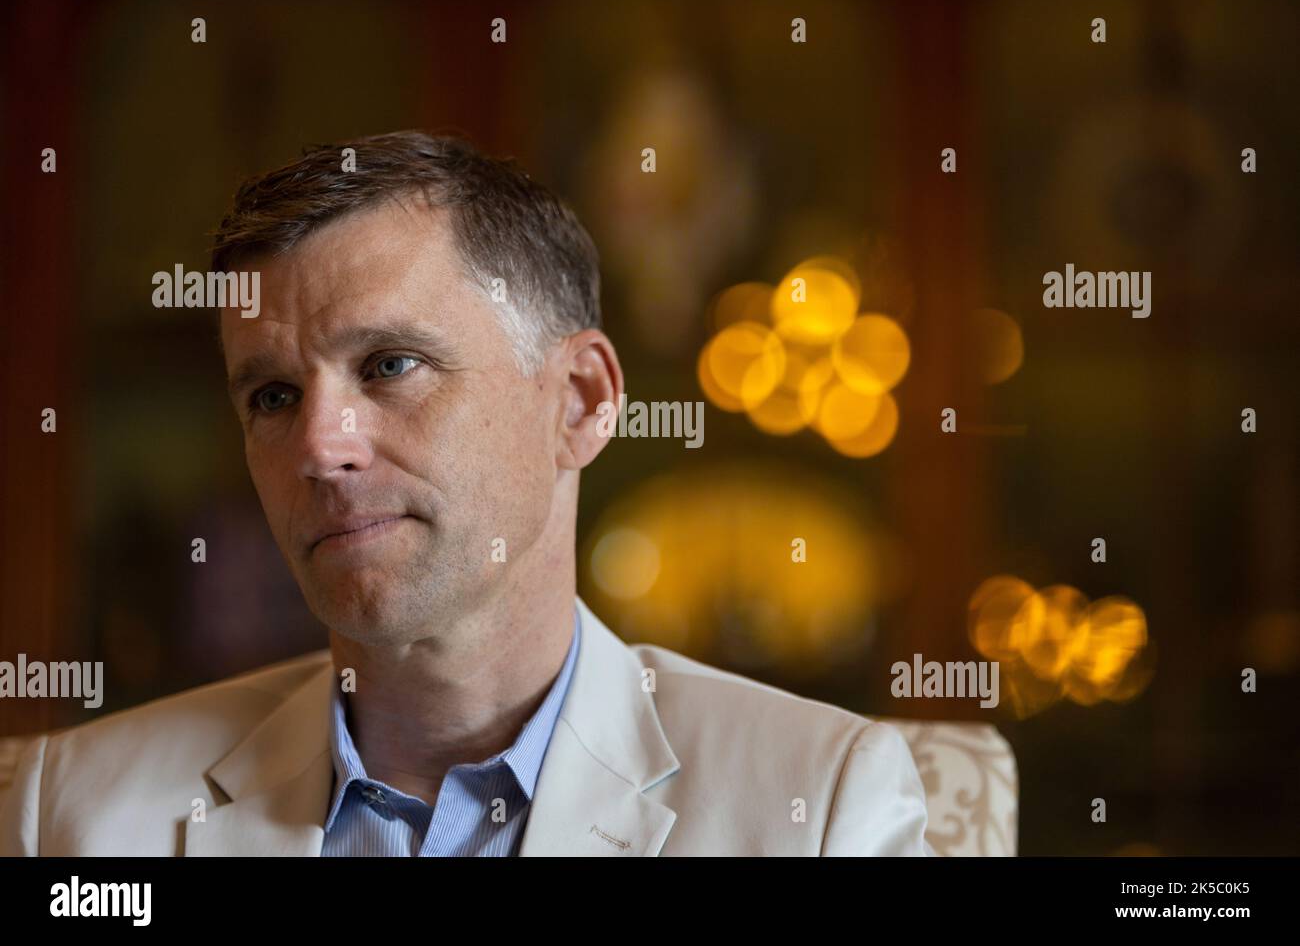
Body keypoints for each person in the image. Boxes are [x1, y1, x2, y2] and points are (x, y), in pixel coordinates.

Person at [0, 131, 931, 856]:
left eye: (391, 364)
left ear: (580, 403)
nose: (321, 448)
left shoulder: (820, 807)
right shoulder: (71, 815)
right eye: (273, 395)